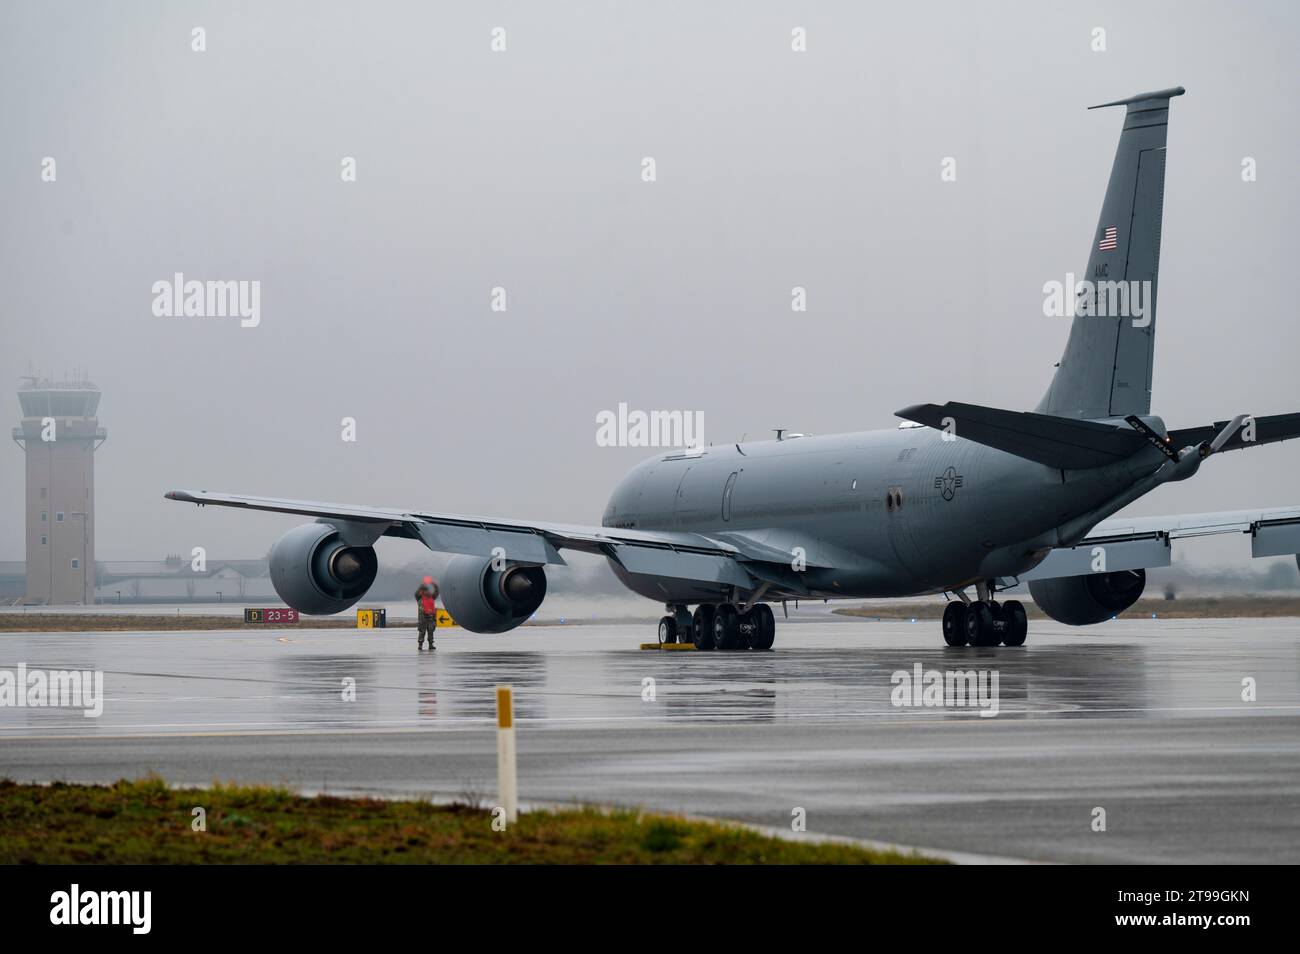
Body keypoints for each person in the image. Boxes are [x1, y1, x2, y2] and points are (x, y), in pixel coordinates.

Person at [415, 576, 440, 650]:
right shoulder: (420, 598)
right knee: (422, 632)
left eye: (428, 590)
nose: (427, 592)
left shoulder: (432, 597)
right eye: (425, 590)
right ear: (423, 591)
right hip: (423, 618)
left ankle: (431, 645)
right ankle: (420, 645)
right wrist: (421, 586)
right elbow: (416, 593)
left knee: (431, 631)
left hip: (431, 617)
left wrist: (434, 585)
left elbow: (437, 592)